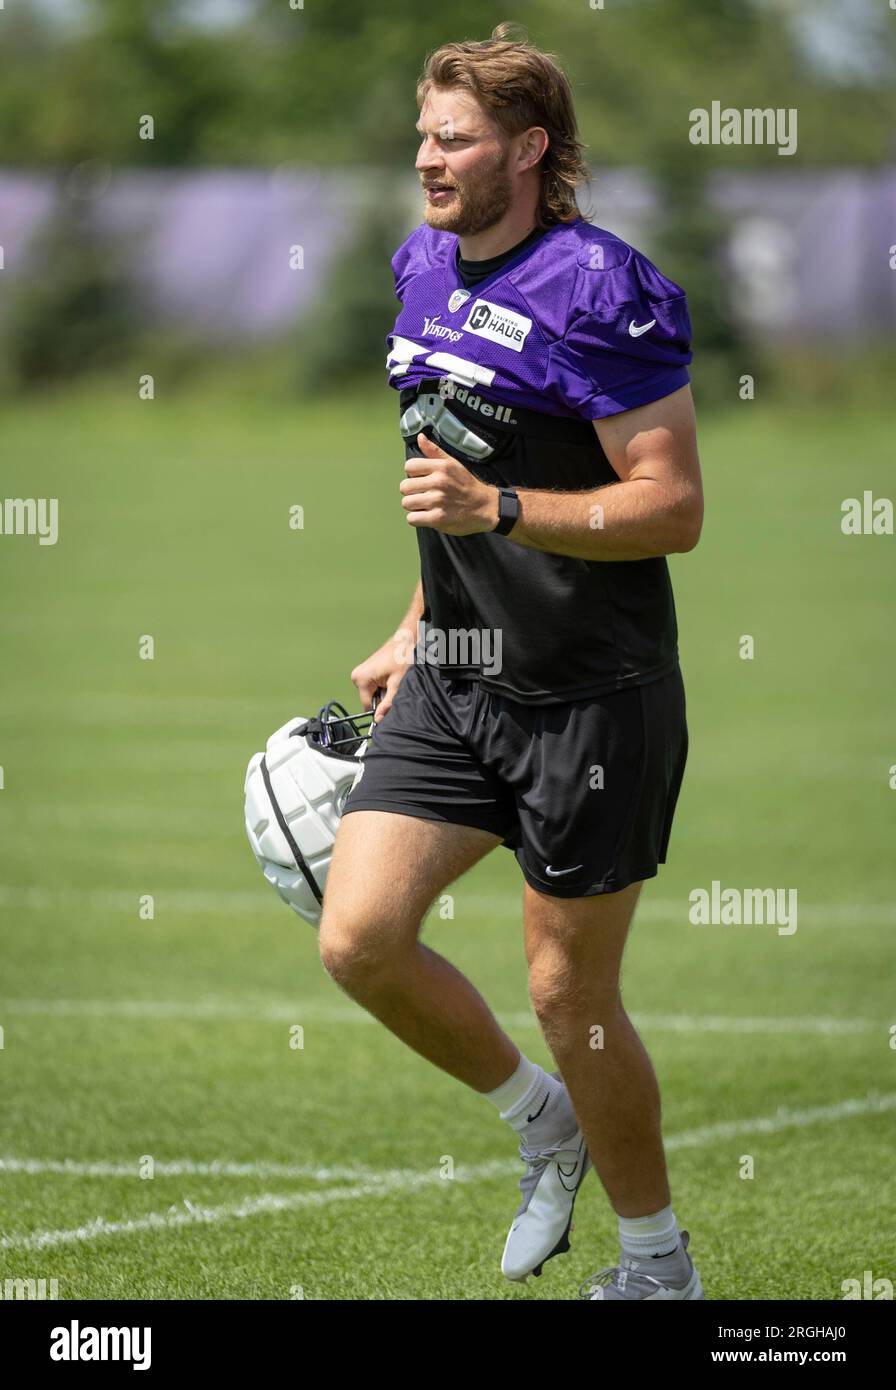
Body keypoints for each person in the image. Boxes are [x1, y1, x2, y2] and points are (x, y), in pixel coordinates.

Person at [320, 23, 704, 1301]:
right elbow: (449, 475)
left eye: (457, 138)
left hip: (590, 694)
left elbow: (672, 508)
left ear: (528, 150)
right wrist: (413, 623)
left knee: (565, 991)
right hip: (457, 673)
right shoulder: (422, 265)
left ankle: (656, 1268)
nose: (428, 158)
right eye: (423, 133)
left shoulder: (602, 287)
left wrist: (506, 515)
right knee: (360, 937)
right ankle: (542, 1126)